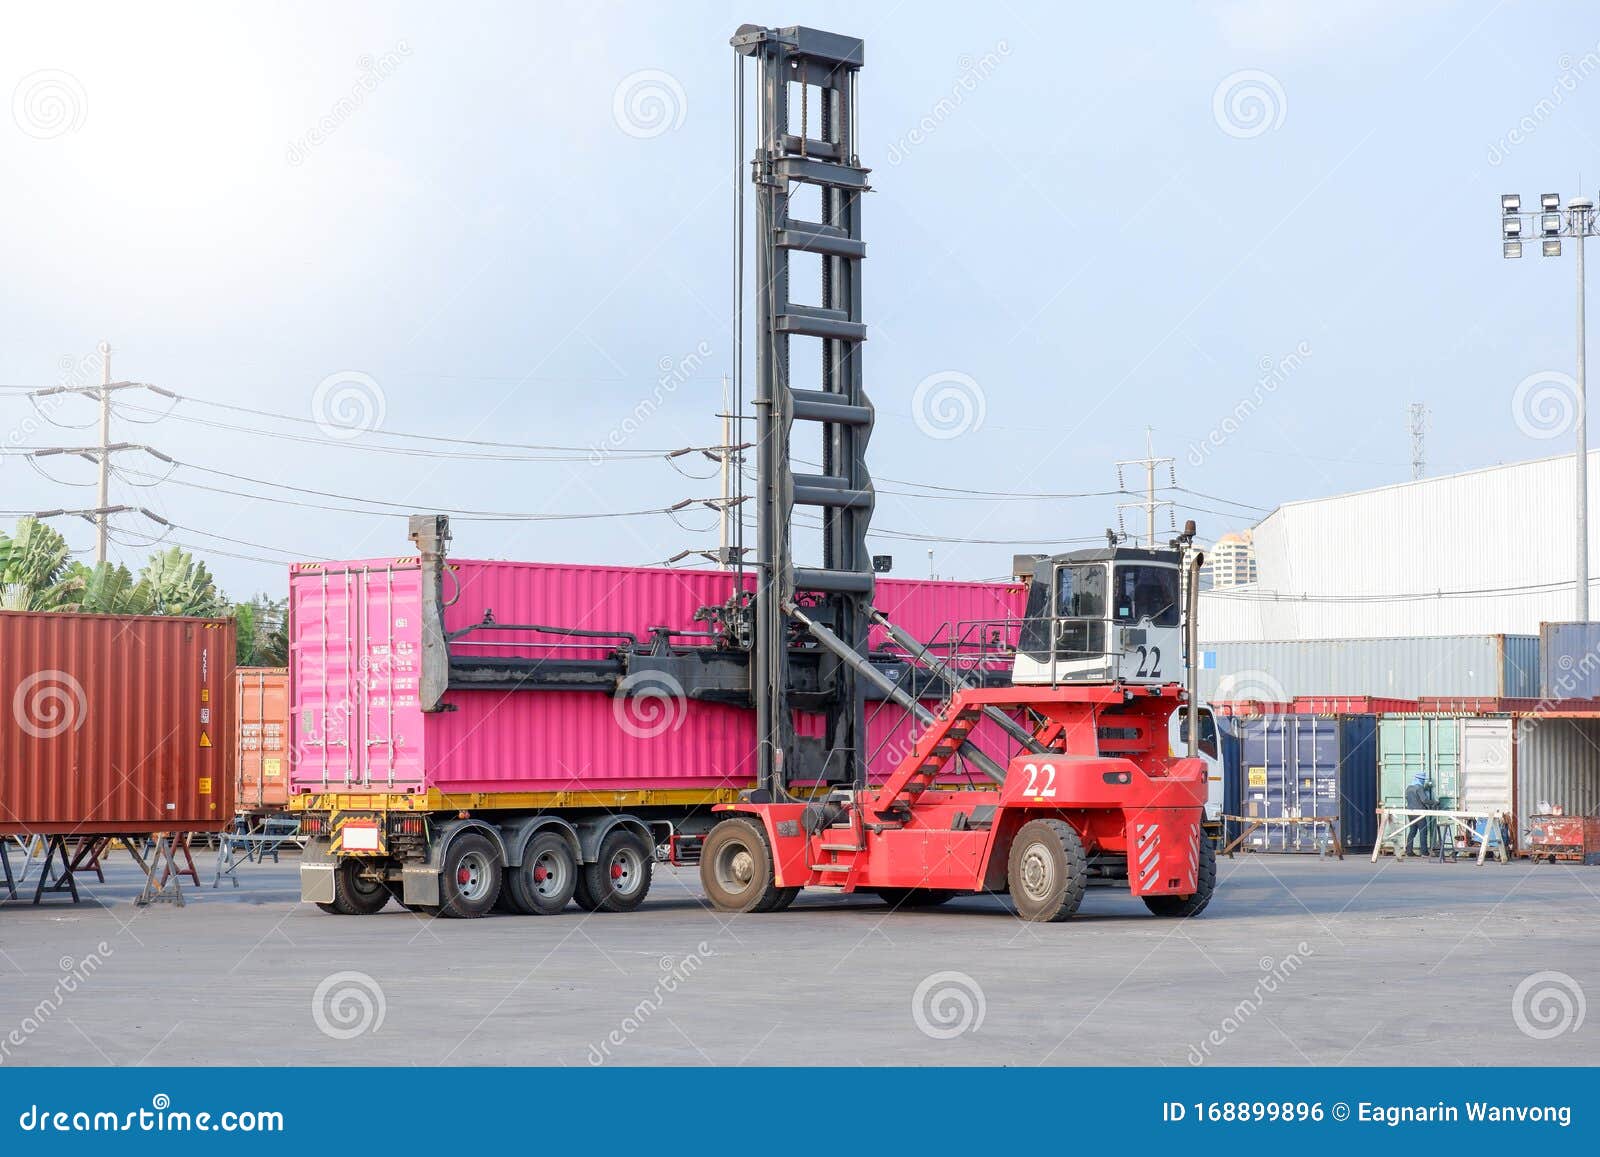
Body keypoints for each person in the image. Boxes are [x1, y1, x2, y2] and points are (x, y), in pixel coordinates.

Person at [1403, 771, 1436, 856]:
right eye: (1423, 780)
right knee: (1423, 832)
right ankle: (1424, 852)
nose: (1423, 781)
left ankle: (1409, 851)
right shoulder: (1419, 788)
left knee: (1412, 831)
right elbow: (1424, 800)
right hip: (1420, 813)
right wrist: (1434, 802)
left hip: (1410, 813)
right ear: (1420, 779)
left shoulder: (1409, 788)